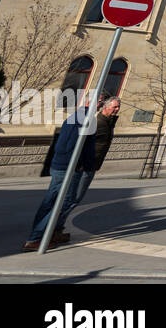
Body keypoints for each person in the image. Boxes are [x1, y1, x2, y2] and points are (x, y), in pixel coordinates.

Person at [23, 94, 112, 250]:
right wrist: (77, 166)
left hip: (62, 166)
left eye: (101, 101)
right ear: (89, 101)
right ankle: (36, 238)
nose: (100, 104)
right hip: (68, 168)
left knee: (50, 202)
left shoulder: (78, 115)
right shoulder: (84, 118)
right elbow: (72, 145)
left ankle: (47, 233)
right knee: (63, 203)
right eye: (99, 100)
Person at [70, 94, 120, 207]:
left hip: (92, 165)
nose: (117, 109)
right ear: (106, 107)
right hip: (84, 166)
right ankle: (55, 223)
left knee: (75, 199)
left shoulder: (108, 123)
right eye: (115, 107)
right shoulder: (98, 122)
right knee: (73, 199)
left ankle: (57, 221)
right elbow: (81, 143)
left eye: (118, 107)